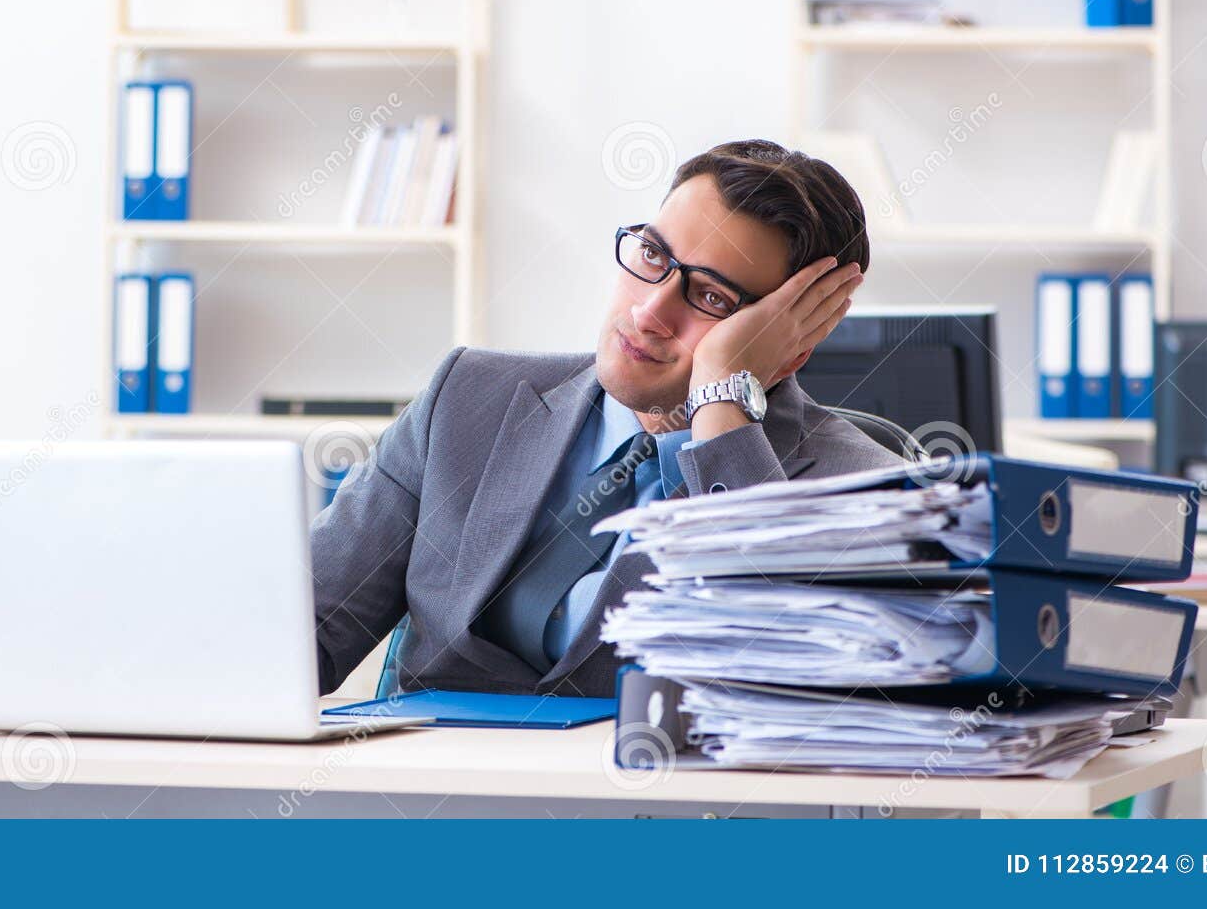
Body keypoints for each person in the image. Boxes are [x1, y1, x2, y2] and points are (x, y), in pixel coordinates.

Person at [311, 139, 900, 698]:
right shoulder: (466, 397)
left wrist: (723, 398)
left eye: (712, 298)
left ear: (790, 345)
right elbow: (302, 632)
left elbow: (786, 689)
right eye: (653, 255)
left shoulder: (860, 490)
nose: (648, 313)